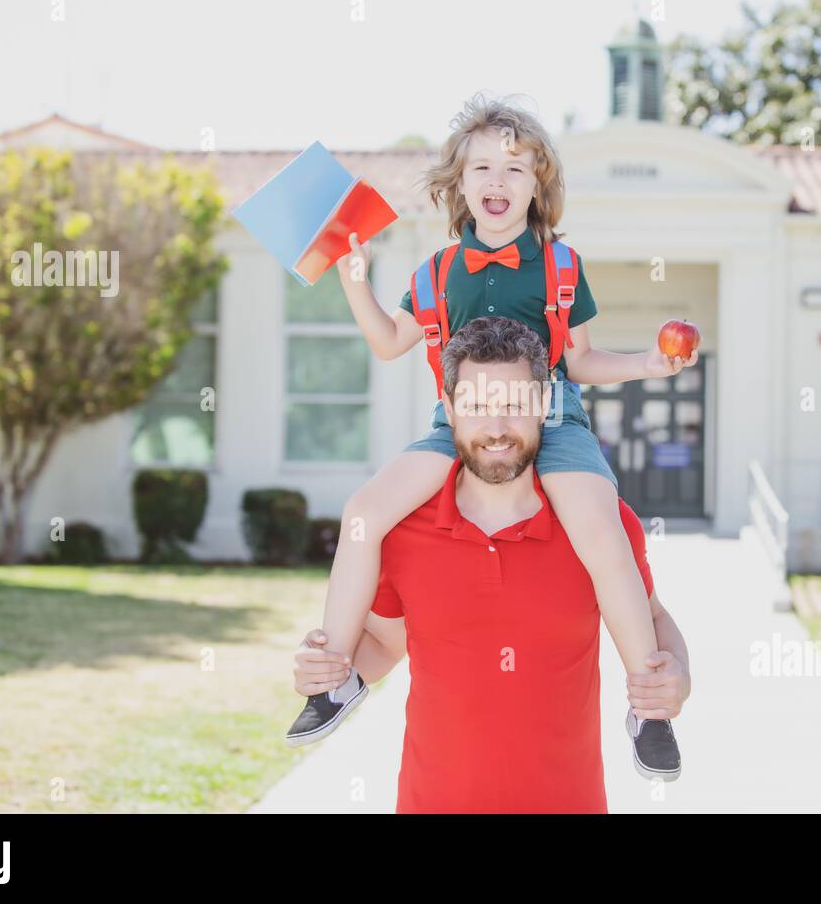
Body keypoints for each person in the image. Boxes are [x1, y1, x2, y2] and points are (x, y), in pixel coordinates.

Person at [286, 94, 698, 780]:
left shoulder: (562, 266)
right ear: (459, 184)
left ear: (539, 186)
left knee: (600, 526)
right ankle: (334, 677)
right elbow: (390, 341)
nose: (497, 180)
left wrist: (648, 365)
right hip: (458, 422)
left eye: (515, 167)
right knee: (363, 513)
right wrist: (356, 283)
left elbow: (584, 360)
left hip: (554, 414)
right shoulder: (437, 272)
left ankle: (648, 703)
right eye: (482, 167)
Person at [293, 316, 691, 812]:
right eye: (478, 406)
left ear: (545, 405)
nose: (497, 428)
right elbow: (385, 643)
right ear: (450, 409)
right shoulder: (402, 531)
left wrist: (676, 677)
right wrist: (327, 665)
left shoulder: (600, 525)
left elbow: (652, 619)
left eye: (515, 406)